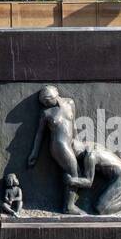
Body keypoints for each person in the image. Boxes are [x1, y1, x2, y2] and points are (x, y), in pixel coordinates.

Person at [27, 85, 84, 214]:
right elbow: (39, 134)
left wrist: (78, 140)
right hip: (58, 146)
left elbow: (73, 123)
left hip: (70, 144)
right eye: (43, 101)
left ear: (55, 94)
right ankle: (69, 207)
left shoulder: (70, 103)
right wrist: (34, 153)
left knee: (75, 172)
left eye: (47, 99)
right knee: (74, 173)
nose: (46, 103)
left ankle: (68, 203)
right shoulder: (46, 113)